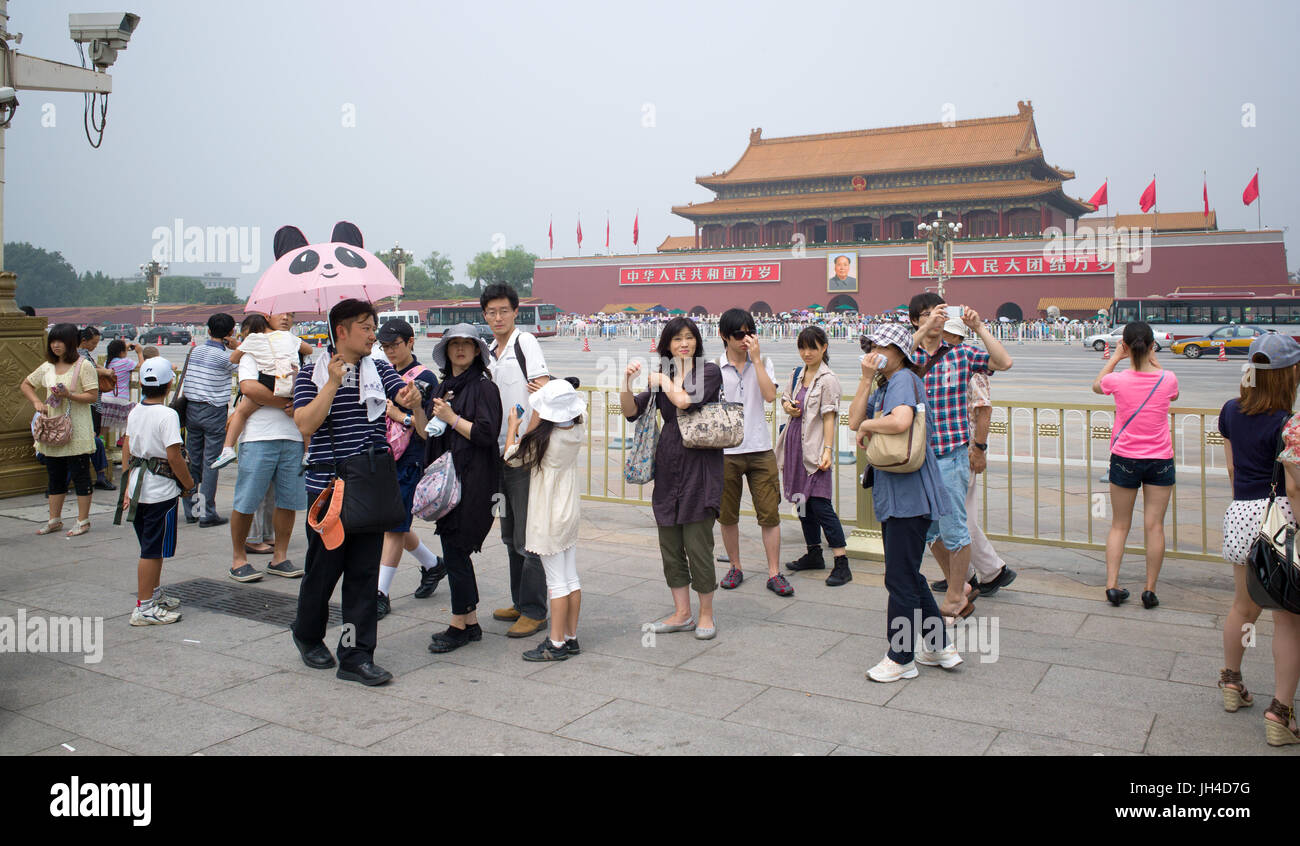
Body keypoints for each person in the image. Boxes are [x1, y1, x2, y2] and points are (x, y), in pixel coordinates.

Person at [292, 299, 422, 685]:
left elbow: (401, 395)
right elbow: (305, 424)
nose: (372, 334)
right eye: (365, 327)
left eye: (374, 326)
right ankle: (308, 634)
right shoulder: (311, 373)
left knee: (364, 575)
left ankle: (356, 655)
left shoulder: (377, 367)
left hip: (369, 487)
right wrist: (331, 383)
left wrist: (411, 398)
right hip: (329, 490)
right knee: (323, 573)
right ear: (342, 332)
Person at [848, 323, 958, 681]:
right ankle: (940, 645)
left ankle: (900, 657)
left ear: (898, 353)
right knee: (908, 573)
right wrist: (865, 381)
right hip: (898, 492)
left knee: (898, 578)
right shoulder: (884, 383)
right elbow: (853, 420)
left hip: (909, 495)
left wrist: (869, 426)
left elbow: (900, 421)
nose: (874, 351)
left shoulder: (903, 381)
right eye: (872, 345)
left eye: (881, 346)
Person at [907, 293, 1014, 620]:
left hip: (951, 455)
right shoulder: (907, 356)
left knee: (955, 527)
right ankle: (961, 586)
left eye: (939, 313)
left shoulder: (962, 354)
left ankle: (956, 594)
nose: (935, 319)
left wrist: (979, 327)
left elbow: (1003, 361)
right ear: (915, 320)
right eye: (926, 315)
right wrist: (921, 332)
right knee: (927, 530)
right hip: (916, 458)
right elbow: (878, 361)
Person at [1216, 334, 1300, 743]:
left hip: (1240, 514)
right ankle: (1280, 712)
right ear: (1289, 375)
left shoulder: (1231, 411)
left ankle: (1232, 682)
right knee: (1287, 618)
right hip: (1279, 520)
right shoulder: (1288, 423)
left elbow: (1234, 471)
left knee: (1242, 607)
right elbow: (1295, 487)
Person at [621, 318, 724, 640]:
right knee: (670, 546)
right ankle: (682, 613)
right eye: (677, 338)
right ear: (666, 343)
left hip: (700, 468)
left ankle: (705, 614)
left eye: (689, 337)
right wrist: (626, 382)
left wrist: (662, 380)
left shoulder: (708, 372)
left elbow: (686, 401)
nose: (684, 343)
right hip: (668, 466)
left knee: (698, 545)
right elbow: (630, 411)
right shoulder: (661, 378)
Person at [425, 324, 504, 653]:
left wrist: (452, 416)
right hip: (448, 479)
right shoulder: (444, 387)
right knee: (454, 549)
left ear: (476, 352)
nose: (459, 349)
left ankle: (459, 623)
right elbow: (430, 433)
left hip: (473, 481)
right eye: (453, 344)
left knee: (456, 549)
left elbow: (487, 434)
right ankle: (470, 623)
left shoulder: (484, 388)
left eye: (466, 345)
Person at [1091, 320, 1179, 608]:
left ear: (1125, 345)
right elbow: (1174, 395)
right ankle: (1150, 590)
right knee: (1154, 526)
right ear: (1153, 345)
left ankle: (1112, 585)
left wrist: (1116, 357)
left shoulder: (1117, 380)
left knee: (1119, 525)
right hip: (1160, 460)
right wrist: (1152, 359)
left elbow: (1096, 385)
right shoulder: (1168, 379)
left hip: (1125, 458)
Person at [482, 282, 552, 639]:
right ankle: (519, 600)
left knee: (527, 536)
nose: (497, 317)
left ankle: (535, 609)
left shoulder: (525, 343)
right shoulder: (490, 351)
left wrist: (526, 442)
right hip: (498, 452)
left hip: (521, 455)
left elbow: (541, 390)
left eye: (503, 311)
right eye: (491, 312)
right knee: (509, 535)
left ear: (515, 312)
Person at [929, 317, 1016, 597]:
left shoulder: (970, 367)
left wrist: (979, 448)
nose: (945, 339)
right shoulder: (940, 363)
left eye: (950, 335)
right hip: (951, 450)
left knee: (959, 519)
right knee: (957, 517)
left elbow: (983, 411)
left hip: (962, 450)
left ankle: (987, 572)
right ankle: (972, 573)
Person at [504, 379, 587, 661]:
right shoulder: (578, 427)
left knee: (557, 583)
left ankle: (556, 643)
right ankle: (571, 638)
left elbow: (510, 457)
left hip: (548, 515)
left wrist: (514, 426)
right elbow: (566, 410)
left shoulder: (541, 441)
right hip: (569, 510)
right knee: (571, 577)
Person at [227, 312, 307, 583]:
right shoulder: (253, 348)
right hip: (259, 436)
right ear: (267, 316)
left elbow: (304, 387)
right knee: (247, 499)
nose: (286, 318)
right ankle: (239, 557)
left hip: (293, 436)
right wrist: (283, 402)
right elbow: (248, 387)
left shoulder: (295, 348)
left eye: (291, 314)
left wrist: (297, 403)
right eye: (280, 313)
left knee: (289, 501)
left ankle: (280, 556)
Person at [714, 308, 789, 596]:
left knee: (770, 514)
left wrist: (756, 360)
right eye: (738, 334)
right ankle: (735, 566)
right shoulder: (714, 367)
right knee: (728, 515)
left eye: (750, 332)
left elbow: (770, 396)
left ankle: (774, 572)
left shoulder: (764, 363)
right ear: (724, 336)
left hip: (760, 449)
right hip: (726, 452)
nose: (745, 338)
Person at [375, 318, 445, 619]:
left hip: (410, 458)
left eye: (395, 345)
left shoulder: (424, 378)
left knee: (393, 526)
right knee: (393, 523)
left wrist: (400, 414)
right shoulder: (381, 373)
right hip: (384, 457)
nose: (390, 351)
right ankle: (433, 565)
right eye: (385, 346)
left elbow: (427, 431)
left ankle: (380, 593)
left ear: (410, 342)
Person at [120, 358, 196, 626]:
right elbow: (174, 456)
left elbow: (127, 447)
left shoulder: (135, 411)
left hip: (139, 484)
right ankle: (145, 607)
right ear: (170, 383)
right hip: (160, 491)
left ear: (142, 383)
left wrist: (128, 482)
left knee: (150, 546)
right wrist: (188, 484)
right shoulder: (168, 415)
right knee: (152, 551)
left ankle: (152, 593)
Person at [779, 326, 850, 585]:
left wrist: (828, 450)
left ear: (824, 348)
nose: (807, 353)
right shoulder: (798, 373)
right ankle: (813, 554)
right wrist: (788, 406)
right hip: (795, 445)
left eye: (812, 347)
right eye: (802, 347)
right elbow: (785, 400)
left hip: (815, 448)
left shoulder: (828, 379)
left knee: (820, 504)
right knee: (802, 503)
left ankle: (841, 562)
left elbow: (829, 416)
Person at [21, 323, 100, 537]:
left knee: (80, 475)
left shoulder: (83, 366)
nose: (56, 345)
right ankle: (54, 519)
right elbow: (26, 384)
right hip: (53, 429)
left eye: (60, 341)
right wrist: (37, 403)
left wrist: (70, 396)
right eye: (53, 341)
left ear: (71, 343)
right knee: (54, 475)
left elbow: (93, 396)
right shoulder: (48, 366)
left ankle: (82, 520)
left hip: (77, 430)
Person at [211, 313, 313, 469]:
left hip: (269, 380)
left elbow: (233, 359)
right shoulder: (289, 337)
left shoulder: (253, 339)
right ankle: (308, 453)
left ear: (250, 331)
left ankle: (228, 449)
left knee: (241, 412)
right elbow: (309, 349)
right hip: (292, 380)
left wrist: (243, 346)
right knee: (302, 414)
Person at [180, 313, 239, 527]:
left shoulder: (195, 351)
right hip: (214, 411)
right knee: (211, 463)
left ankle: (192, 510)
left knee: (193, 461)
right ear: (230, 332)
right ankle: (207, 513)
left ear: (208, 329)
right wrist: (237, 346)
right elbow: (246, 367)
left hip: (192, 409)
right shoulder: (226, 358)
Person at [78, 326, 115, 492]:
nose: (94, 346)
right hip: (90, 404)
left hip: (93, 403)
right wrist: (105, 371)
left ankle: (97, 475)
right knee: (93, 441)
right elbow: (87, 369)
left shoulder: (83, 354)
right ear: (83, 341)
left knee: (95, 441)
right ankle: (96, 476)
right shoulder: (80, 353)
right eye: (93, 343)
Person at [99, 338, 142, 446]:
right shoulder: (126, 362)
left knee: (103, 428)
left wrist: (124, 348)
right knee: (137, 415)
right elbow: (142, 364)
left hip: (105, 399)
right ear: (122, 352)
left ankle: (100, 448)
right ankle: (123, 438)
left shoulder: (106, 363)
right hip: (119, 400)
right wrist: (139, 352)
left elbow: (118, 352)